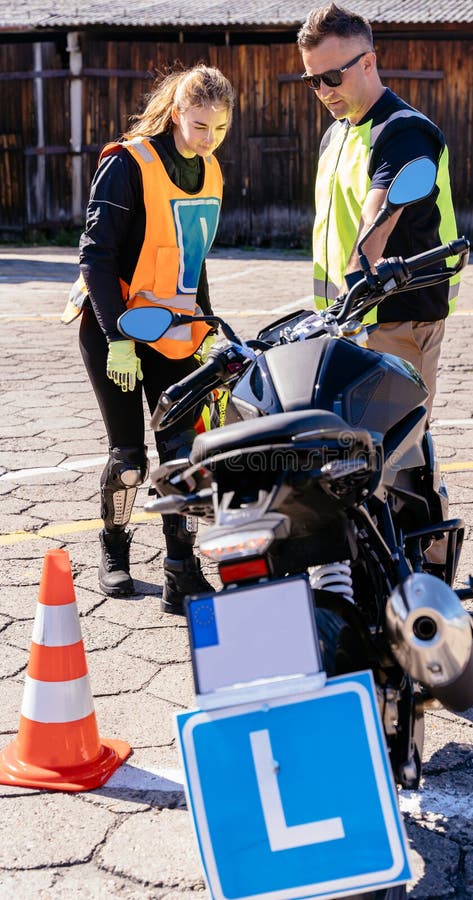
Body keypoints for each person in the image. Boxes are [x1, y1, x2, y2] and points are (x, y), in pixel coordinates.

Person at [62, 64, 235, 614]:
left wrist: (207, 325)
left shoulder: (210, 172)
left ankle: (181, 570)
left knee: (182, 455)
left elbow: (194, 257)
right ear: (177, 113)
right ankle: (114, 549)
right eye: (201, 125)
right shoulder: (128, 162)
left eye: (222, 128)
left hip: (174, 327)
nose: (210, 139)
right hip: (114, 324)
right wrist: (117, 338)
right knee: (131, 457)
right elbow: (96, 254)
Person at [297, 3, 461, 421]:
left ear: (368, 62)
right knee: (351, 460)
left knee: (397, 456)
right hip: (346, 319)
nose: (323, 91)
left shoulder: (404, 132)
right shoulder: (337, 133)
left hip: (398, 321)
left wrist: (356, 276)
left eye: (332, 77)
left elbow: (376, 223)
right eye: (312, 80)